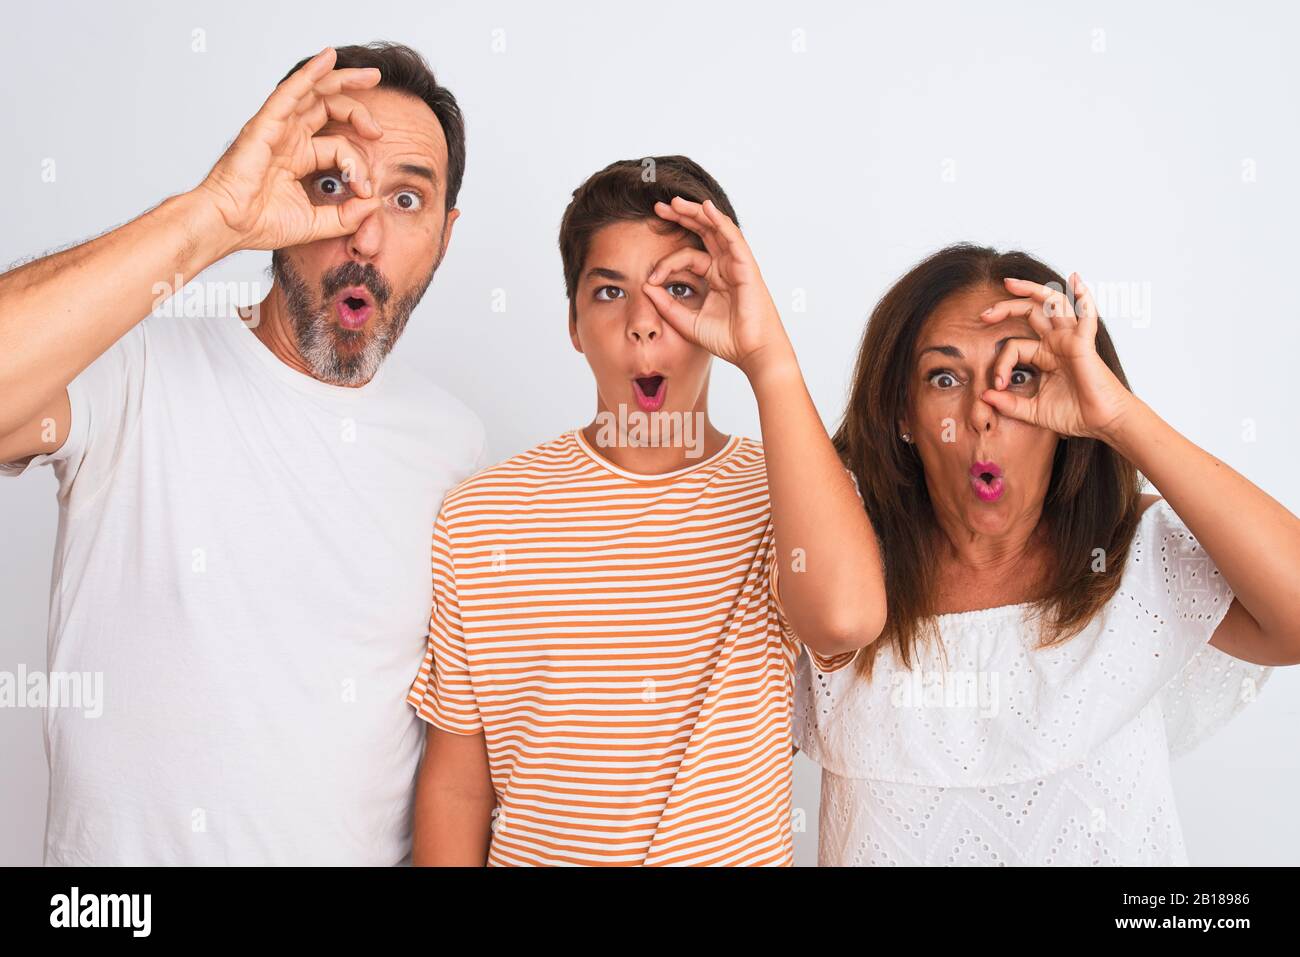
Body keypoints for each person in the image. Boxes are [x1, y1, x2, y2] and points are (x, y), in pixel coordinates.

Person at [0, 43, 485, 865]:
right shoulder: (134, 368)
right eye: (332, 184)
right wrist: (213, 216)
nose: (364, 235)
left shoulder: (458, 450)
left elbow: (458, 753)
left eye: (407, 199)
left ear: (443, 234)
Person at [406, 156, 886, 865]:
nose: (642, 323)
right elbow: (457, 789)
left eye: (680, 290)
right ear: (573, 322)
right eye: (609, 291)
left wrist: (767, 356)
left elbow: (846, 618)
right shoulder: (479, 517)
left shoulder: (787, 494)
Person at [795, 244, 1300, 866]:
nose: (983, 413)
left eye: (1020, 377)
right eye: (945, 378)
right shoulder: (834, 577)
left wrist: (1115, 415)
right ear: (903, 410)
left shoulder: (1134, 555)